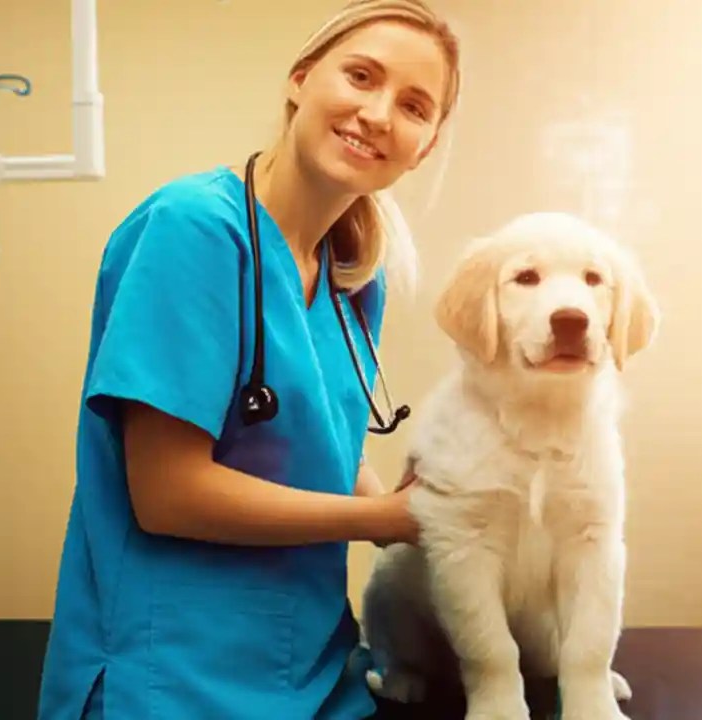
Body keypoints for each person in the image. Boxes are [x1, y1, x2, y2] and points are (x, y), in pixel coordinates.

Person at [36, 2, 462, 717]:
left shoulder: (355, 272)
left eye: (415, 106)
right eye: (361, 75)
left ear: (424, 146)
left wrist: (430, 507)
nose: (379, 113)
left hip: (321, 675)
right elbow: (168, 492)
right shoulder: (195, 229)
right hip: (171, 680)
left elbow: (321, 449)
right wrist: (385, 520)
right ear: (300, 79)